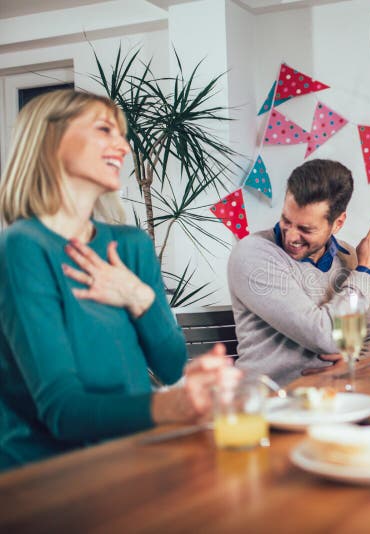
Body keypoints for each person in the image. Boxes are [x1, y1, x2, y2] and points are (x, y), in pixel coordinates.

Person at [0, 89, 236, 471]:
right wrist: (174, 405)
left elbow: (174, 365)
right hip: (48, 476)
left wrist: (140, 297)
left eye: (121, 134)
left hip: (131, 455)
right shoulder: (23, 247)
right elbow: (63, 411)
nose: (123, 146)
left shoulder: (132, 246)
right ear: (51, 140)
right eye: (105, 129)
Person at [227, 159, 370, 385]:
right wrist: (368, 271)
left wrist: (350, 366)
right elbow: (327, 336)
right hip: (271, 402)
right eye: (286, 220)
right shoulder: (252, 253)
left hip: (334, 398)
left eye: (306, 229)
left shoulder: (348, 256)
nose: (291, 237)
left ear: (338, 223)